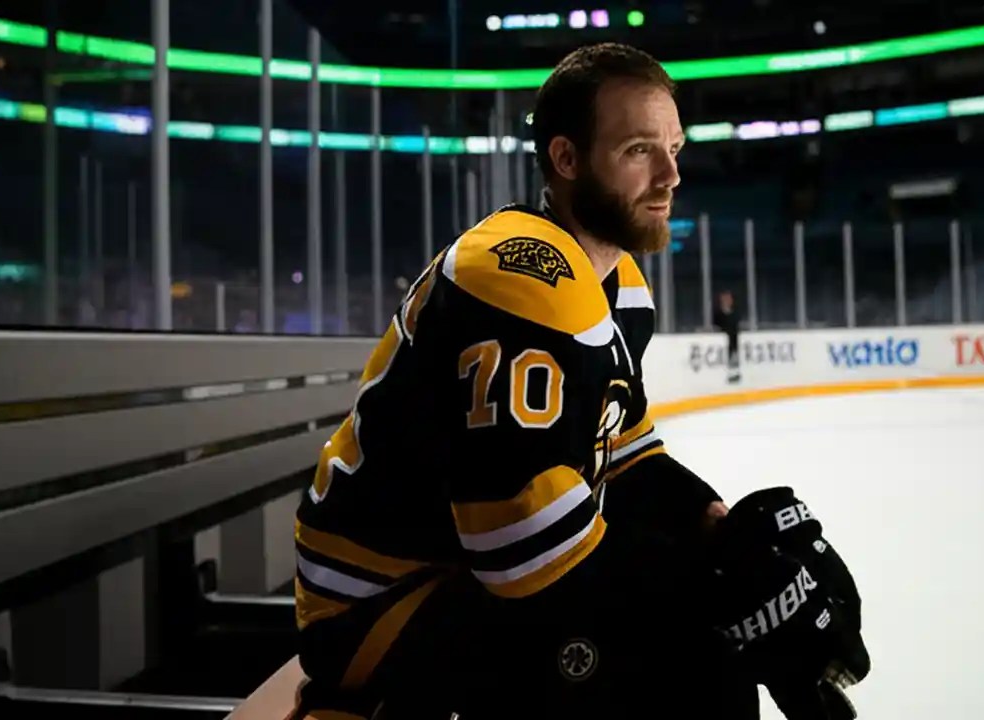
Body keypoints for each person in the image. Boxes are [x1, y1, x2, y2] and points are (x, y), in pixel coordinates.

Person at [288, 43, 866, 719]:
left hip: (453, 573)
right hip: (382, 605)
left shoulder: (619, 287)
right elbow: (521, 556)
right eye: (639, 150)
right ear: (566, 160)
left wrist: (723, 532)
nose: (671, 174)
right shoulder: (516, 273)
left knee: (706, 646)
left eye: (675, 147)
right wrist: (715, 592)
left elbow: (626, 456)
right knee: (697, 666)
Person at [713, 290, 741, 383]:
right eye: (725, 299)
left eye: (729, 299)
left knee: (734, 361)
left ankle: (734, 374)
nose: (727, 301)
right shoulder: (717, 315)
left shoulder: (736, 315)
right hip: (722, 345)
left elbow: (737, 329)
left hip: (734, 344)